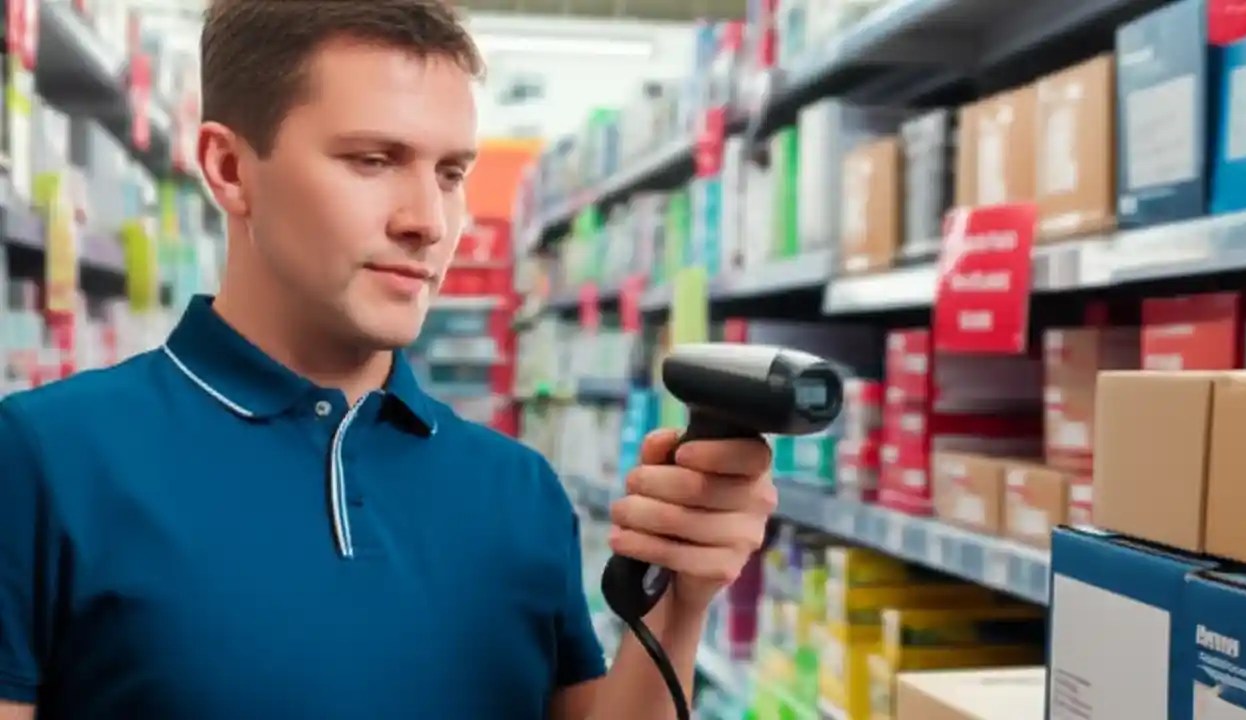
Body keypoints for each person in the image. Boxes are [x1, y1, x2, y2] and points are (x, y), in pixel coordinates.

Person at [0, 1, 776, 718]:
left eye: (451, 173)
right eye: (373, 160)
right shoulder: (43, 459)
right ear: (230, 169)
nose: (429, 222)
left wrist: (681, 602)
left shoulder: (519, 492)